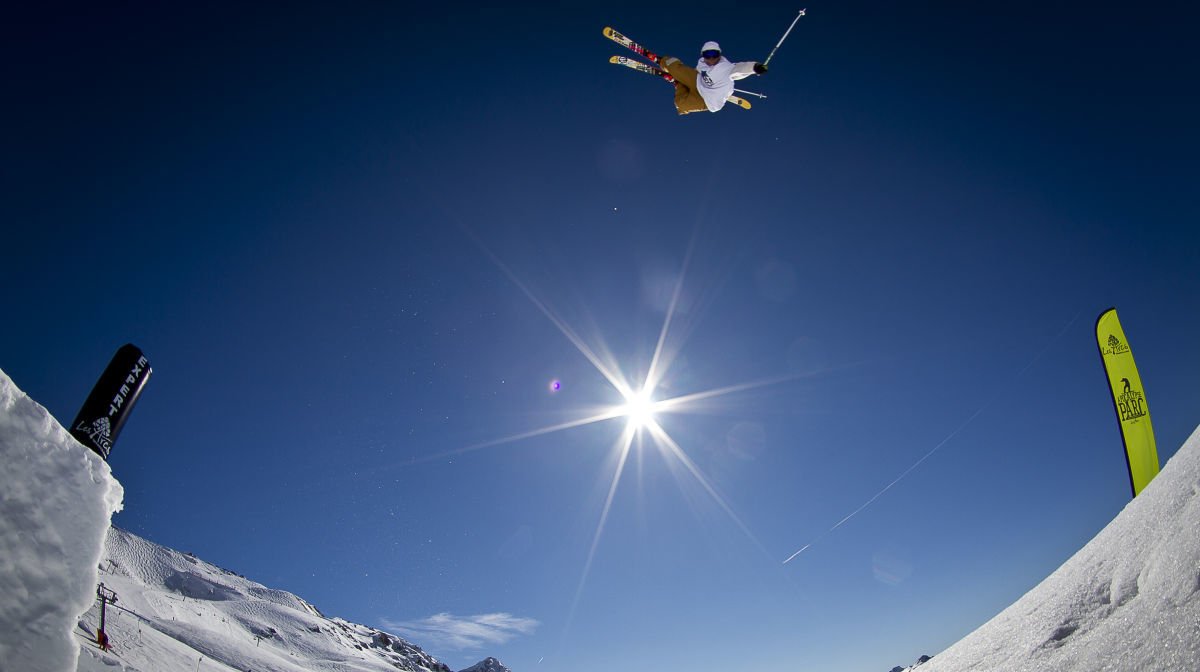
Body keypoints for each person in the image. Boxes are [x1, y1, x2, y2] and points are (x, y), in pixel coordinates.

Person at [660, 41, 767, 115]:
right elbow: (695, 71)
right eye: (708, 54)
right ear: (703, 55)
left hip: (707, 100)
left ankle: (679, 84)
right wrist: (683, 75)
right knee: (674, 68)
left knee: (680, 105)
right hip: (698, 81)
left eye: (714, 54)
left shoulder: (727, 68)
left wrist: (755, 67)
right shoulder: (701, 63)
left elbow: (741, 68)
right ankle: (660, 60)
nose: (711, 58)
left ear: (719, 55)